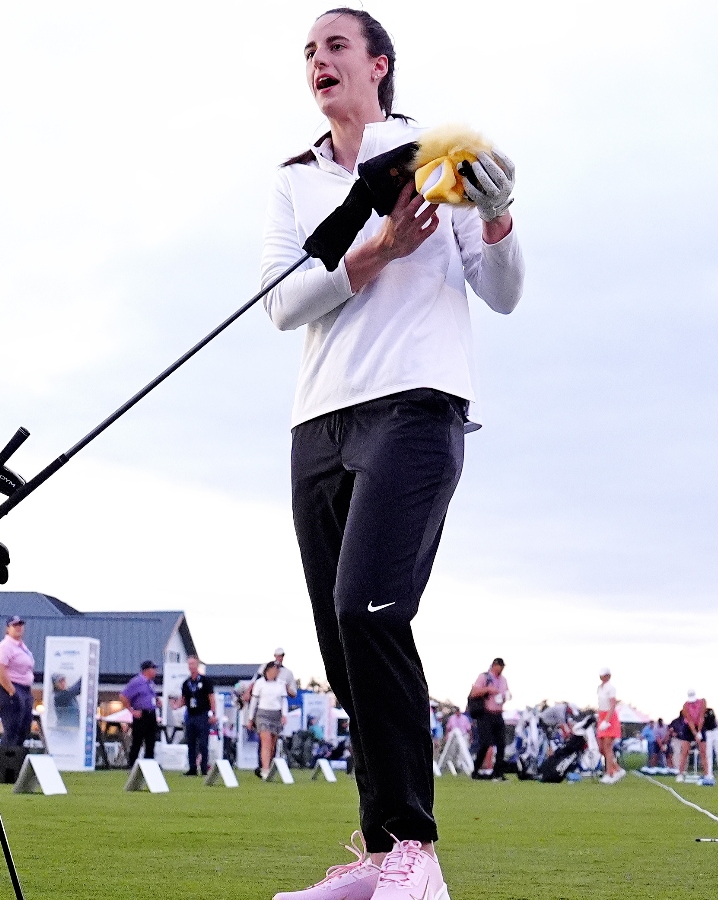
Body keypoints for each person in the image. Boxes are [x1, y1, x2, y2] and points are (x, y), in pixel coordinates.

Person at [263, 9, 524, 899]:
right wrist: (372, 252)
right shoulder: (295, 179)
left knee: (369, 610)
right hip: (319, 422)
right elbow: (281, 304)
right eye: (308, 52)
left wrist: (494, 216)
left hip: (415, 406)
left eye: (335, 47)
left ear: (379, 65)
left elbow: (504, 294)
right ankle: (382, 859)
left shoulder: (435, 152)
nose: (318, 62)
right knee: (342, 647)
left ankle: (414, 850)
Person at [0, 616, 35, 751]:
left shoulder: (22, 647)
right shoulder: (5, 646)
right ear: (8, 628)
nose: (18, 628)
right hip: (8, 687)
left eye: (20, 625)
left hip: (24, 688)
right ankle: (5, 762)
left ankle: (16, 760)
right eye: (15, 625)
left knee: (24, 726)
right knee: (12, 726)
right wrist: (11, 690)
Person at [172, 655, 216, 776]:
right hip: (190, 715)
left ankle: (204, 768)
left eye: (193, 664)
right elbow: (184, 699)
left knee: (203, 743)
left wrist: (213, 713)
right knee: (190, 742)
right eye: (189, 664)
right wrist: (176, 705)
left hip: (202, 715)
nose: (191, 666)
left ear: (197, 665)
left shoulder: (206, 681)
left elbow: (211, 698)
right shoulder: (186, 683)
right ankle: (192, 768)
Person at [249, 661, 295, 777]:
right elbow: (254, 701)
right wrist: (250, 718)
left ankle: (268, 765)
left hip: (276, 714)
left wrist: (285, 715)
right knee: (266, 741)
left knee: (272, 744)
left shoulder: (281, 684)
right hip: (263, 713)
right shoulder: (259, 683)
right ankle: (265, 769)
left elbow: (284, 700)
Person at [467, 658, 510, 780]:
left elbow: (505, 693)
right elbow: (474, 692)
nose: (501, 669)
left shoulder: (503, 680)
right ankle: (476, 770)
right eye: (499, 666)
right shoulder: (484, 677)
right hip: (485, 714)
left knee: (501, 744)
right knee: (486, 743)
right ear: (494, 666)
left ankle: (498, 773)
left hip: (498, 713)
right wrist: (488, 689)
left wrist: (506, 696)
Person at [121, 660, 161, 765]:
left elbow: (150, 696)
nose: (155, 671)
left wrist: (157, 701)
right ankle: (132, 763)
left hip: (151, 714)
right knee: (137, 740)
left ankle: (149, 763)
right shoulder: (137, 682)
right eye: (153, 669)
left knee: (151, 740)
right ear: (147, 670)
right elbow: (123, 696)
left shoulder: (151, 683)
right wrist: (132, 711)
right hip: (141, 715)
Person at [595, 667, 625, 783]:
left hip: (610, 718)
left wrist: (607, 720)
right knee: (601, 748)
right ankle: (617, 769)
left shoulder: (611, 688)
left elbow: (612, 705)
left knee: (608, 747)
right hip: (602, 716)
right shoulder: (599, 688)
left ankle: (609, 774)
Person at [681, 689, 712, 785]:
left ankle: (707, 774)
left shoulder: (702, 702)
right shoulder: (685, 705)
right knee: (685, 751)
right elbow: (689, 720)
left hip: (700, 726)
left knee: (703, 751)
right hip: (689, 727)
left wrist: (699, 732)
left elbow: (702, 717)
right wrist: (695, 733)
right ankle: (680, 774)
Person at [703, 705, 718, 780]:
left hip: (715, 731)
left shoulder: (710, 711)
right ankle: (709, 772)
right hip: (707, 732)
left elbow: (716, 722)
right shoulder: (701, 714)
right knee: (709, 753)